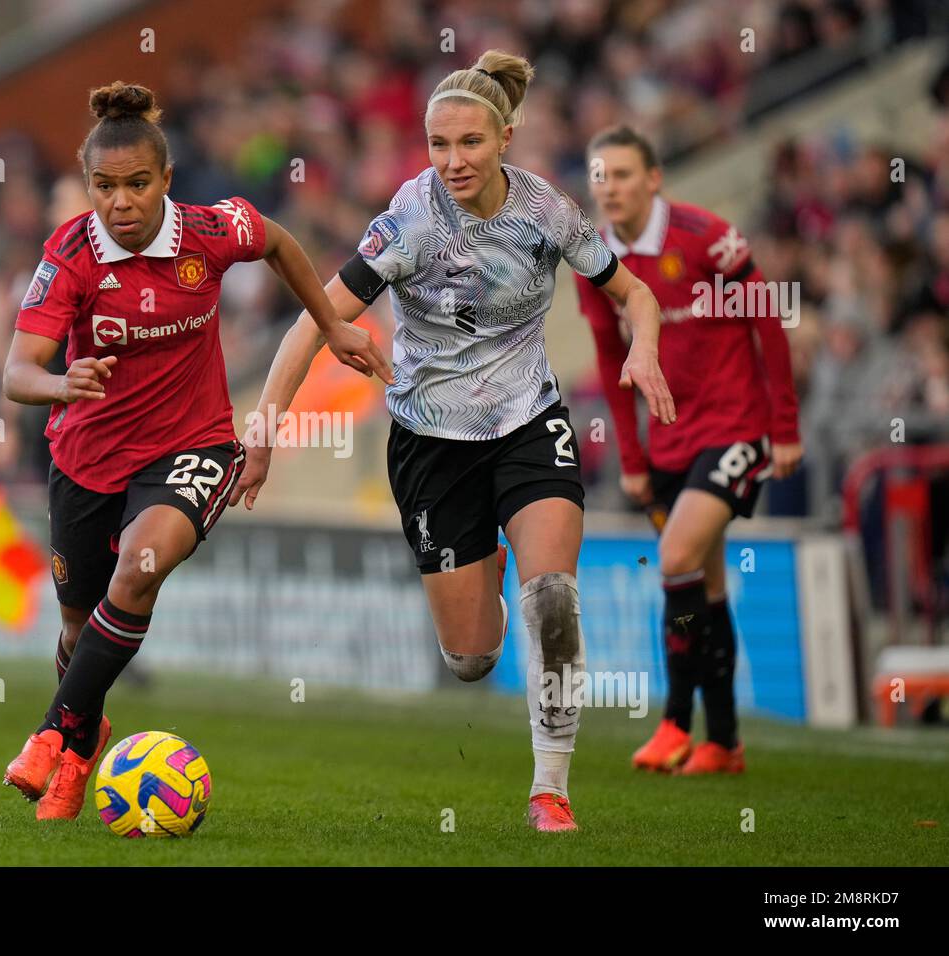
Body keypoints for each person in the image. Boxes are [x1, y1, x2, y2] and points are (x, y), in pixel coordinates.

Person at [230, 52, 675, 832]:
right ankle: (487, 571)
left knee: (555, 602)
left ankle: (551, 791)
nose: (453, 161)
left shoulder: (547, 212)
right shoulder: (407, 222)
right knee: (469, 659)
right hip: (430, 444)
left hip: (529, 423)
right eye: (438, 144)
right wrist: (262, 430)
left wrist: (644, 344)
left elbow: (633, 292)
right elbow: (314, 322)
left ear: (506, 136)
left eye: (469, 142)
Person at [0, 81, 385, 820]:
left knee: (140, 570)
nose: (122, 202)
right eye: (105, 187)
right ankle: (84, 744)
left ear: (166, 181)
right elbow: (15, 373)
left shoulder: (211, 231)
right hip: (86, 459)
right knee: (80, 627)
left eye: (138, 184)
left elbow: (278, 241)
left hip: (192, 445)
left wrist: (332, 325)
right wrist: (59, 383)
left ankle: (52, 734)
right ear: (89, 189)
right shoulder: (70, 254)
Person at [575, 125, 802, 775]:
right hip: (669, 439)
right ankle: (725, 742)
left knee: (675, 555)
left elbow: (768, 321)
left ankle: (675, 722)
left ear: (653, 180)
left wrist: (784, 426)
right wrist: (633, 457)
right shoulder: (595, 264)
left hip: (735, 427)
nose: (610, 189)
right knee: (706, 583)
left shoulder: (707, 238)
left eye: (622, 175)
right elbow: (610, 362)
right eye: (600, 177)